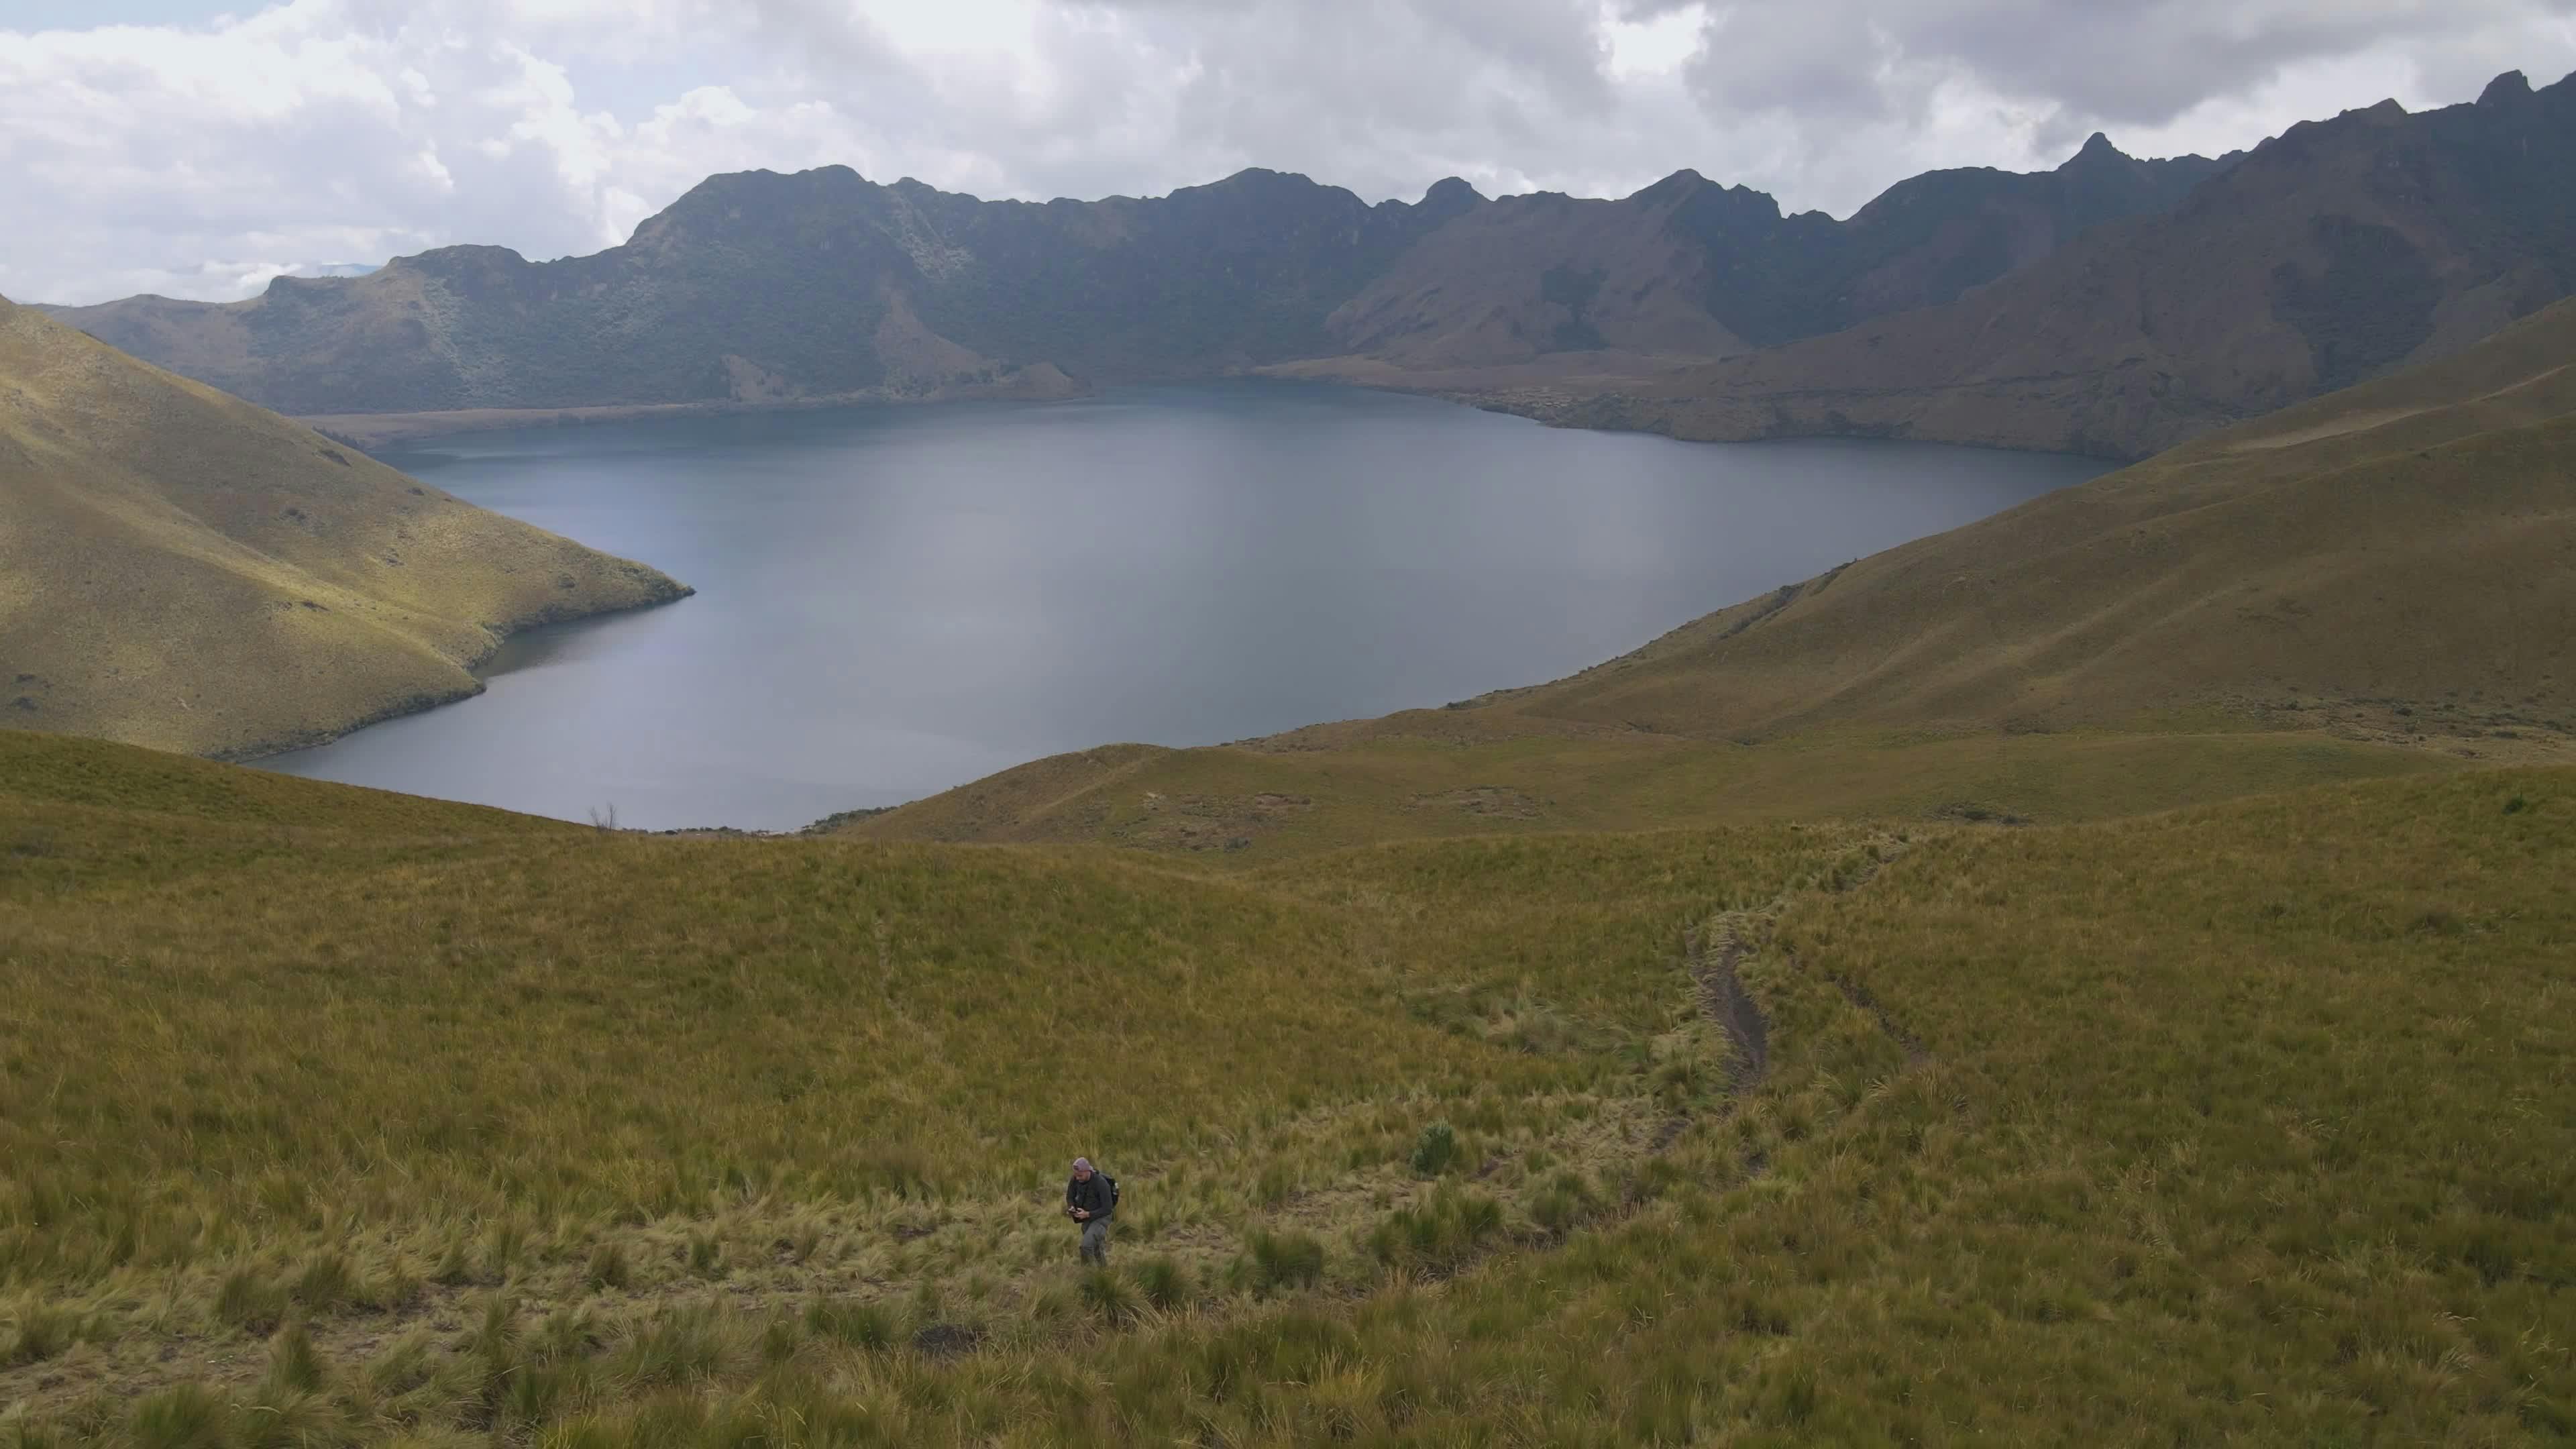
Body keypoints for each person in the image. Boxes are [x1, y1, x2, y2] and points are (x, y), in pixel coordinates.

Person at [1063, 1156, 1114, 1267]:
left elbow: (1108, 1208)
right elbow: (1070, 1196)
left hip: (1102, 1218)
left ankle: (1087, 1274)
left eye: (1080, 1176)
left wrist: (1088, 1214)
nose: (1077, 1178)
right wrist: (1071, 1207)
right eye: (1076, 1175)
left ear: (1088, 1171)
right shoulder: (1075, 1179)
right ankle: (1104, 1273)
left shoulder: (1101, 1183)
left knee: (1086, 1247)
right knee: (1096, 1249)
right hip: (1087, 1218)